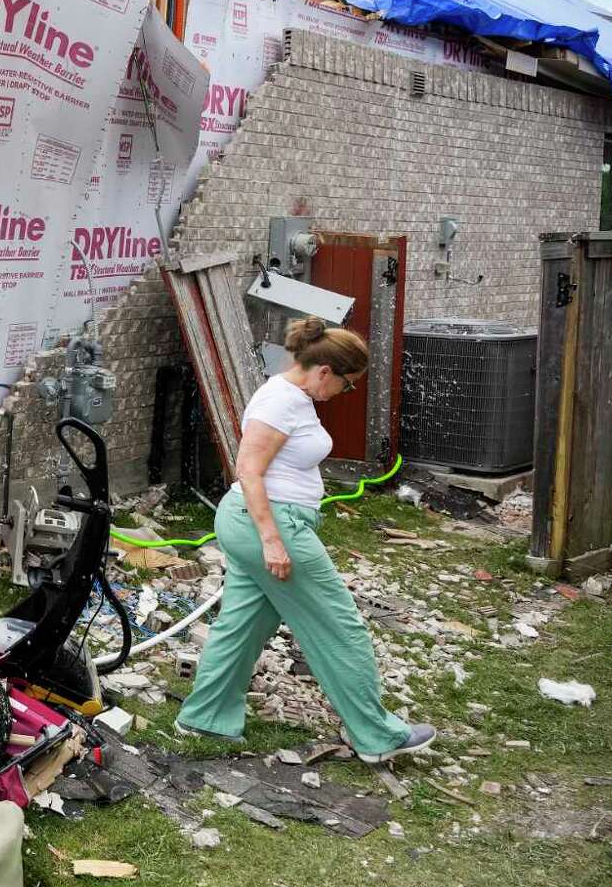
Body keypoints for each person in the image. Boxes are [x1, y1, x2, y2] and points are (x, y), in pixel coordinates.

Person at [175, 316, 436, 764]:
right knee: (339, 626)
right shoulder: (280, 403)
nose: (343, 394)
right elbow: (248, 471)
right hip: (271, 525)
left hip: (264, 522)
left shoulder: (294, 398)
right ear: (323, 372)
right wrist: (273, 541)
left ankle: (206, 716)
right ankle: (377, 736)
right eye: (347, 385)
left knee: (244, 624)